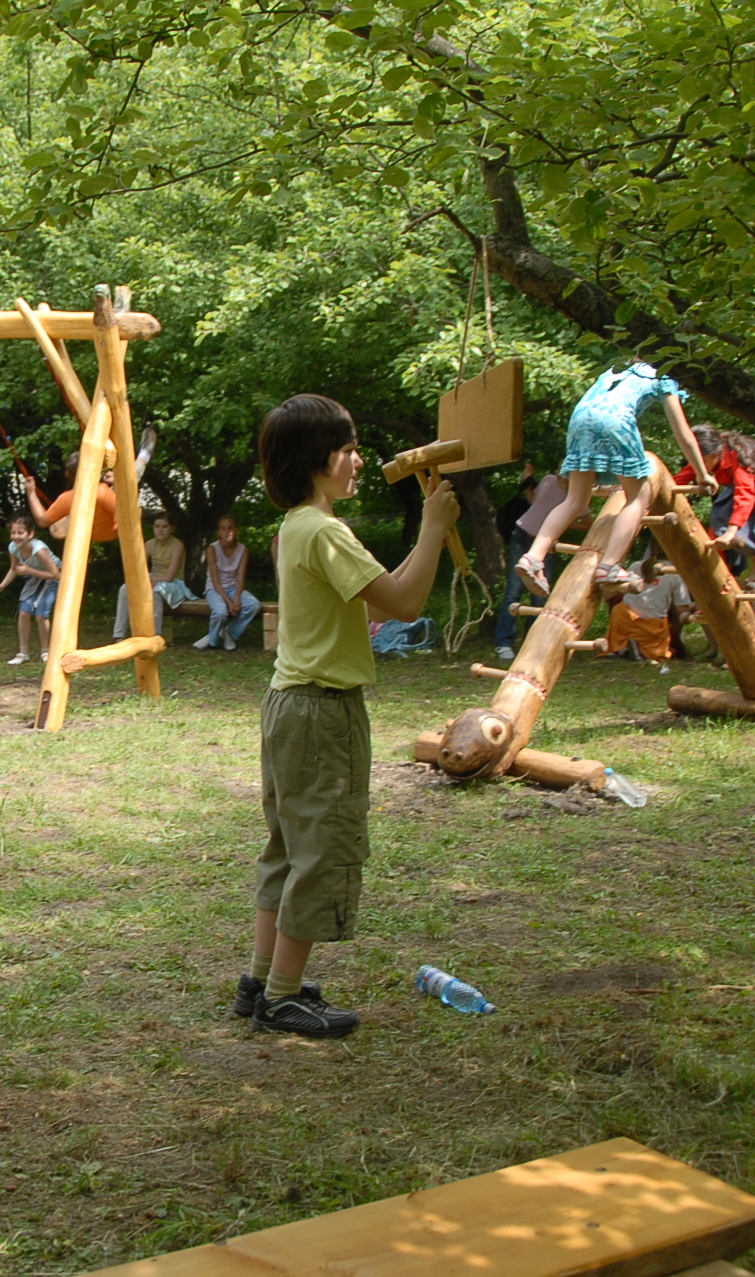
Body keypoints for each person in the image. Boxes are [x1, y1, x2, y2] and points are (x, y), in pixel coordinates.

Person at [241, 394, 459, 1039]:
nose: (358, 460)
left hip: (288, 706)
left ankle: (260, 979)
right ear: (317, 459)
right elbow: (411, 600)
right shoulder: (325, 531)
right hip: (321, 714)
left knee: (287, 847)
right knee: (321, 851)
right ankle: (282, 998)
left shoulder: (294, 529)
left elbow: (367, 606)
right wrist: (433, 528)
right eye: (347, 448)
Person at [516, 363, 712, 596]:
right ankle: (609, 566)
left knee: (575, 500)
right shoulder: (664, 373)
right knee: (639, 497)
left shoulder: (618, 368)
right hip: (616, 420)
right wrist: (703, 474)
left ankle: (533, 558)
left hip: (580, 418)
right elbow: (684, 434)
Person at [673, 425, 755, 648]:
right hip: (745, 490)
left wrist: (733, 530)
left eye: (700, 459)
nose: (697, 465)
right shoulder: (707, 453)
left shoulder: (740, 457)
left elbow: (745, 495)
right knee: (711, 539)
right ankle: (720, 596)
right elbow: (681, 478)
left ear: (713, 453)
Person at [25, 427, 156, 543]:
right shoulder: (102, 492)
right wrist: (119, 484)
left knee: (116, 483)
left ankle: (139, 461)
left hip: (92, 533)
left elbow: (42, 521)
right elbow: (127, 519)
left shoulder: (66, 499)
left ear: (67, 475)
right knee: (131, 477)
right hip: (114, 530)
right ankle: (144, 456)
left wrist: (31, 493)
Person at [494, 464, 567, 660]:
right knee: (513, 591)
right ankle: (504, 642)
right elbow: (534, 500)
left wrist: (564, 521)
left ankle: (532, 642)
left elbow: (586, 522)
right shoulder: (549, 480)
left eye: (566, 471)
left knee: (540, 596)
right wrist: (527, 480)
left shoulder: (577, 495)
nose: (561, 473)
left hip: (546, 544)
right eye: (559, 468)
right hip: (521, 535)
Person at [0, 515, 59, 666]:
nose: (15, 536)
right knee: (24, 612)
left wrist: (29, 570)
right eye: (13, 533)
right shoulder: (14, 548)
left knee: (40, 614)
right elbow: (14, 569)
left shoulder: (38, 549)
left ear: (30, 534)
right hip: (34, 575)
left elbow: (55, 574)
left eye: (20, 533)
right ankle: (23, 653)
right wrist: (2, 585)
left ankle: (46, 652)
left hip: (52, 577)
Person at [607, 550, 694, 662]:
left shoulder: (636, 565)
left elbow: (612, 593)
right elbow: (682, 610)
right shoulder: (675, 574)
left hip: (623, 615)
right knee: (676, 651)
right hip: (650, 624)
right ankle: (641, 651)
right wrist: (693, 607)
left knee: (623, 605)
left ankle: (621, 646)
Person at [113, 512, 186, 640]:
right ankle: (119, 635)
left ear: (172, 528)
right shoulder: (149, 544)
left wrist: (148, 581)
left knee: (155, 593)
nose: (160, 530)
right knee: (125, 588)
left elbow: (169, 576)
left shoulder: (177, 545)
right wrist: (145, 580)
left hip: (174, 583)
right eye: (157, 526)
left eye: (164, 526)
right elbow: (139, 569)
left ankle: (154, 636)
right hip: (153, 578)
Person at [196, 514, 262, 650]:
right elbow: (215, 580)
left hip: (233, 587)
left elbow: (241, 577)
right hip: (215, 588)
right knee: (221, 611)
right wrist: (229, 602)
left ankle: (228, 632)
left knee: (254, 605)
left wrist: (237, 598)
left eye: (231, 527)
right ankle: (212, 640)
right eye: (223, 528)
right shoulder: (212, 549)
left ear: (237, 530)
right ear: (219, 532)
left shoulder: (243, 550)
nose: (227, 531)